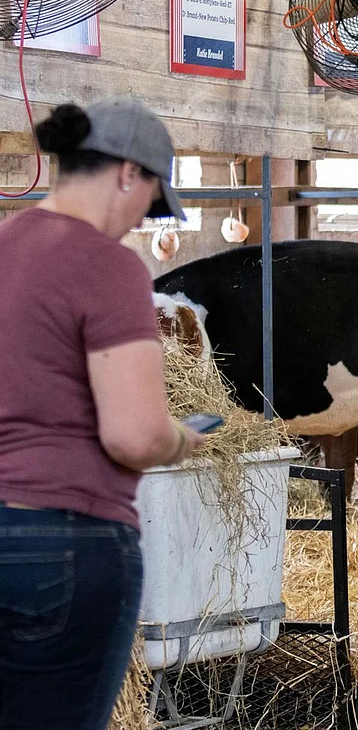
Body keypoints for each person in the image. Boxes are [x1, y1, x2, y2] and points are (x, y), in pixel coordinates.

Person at [0, 98, 206, 729]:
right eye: (151, 196)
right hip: (64, 542)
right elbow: (133, 435)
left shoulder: (5, 244)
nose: (145, 215)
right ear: (127, 173)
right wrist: (182, 441)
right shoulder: (107, 264)